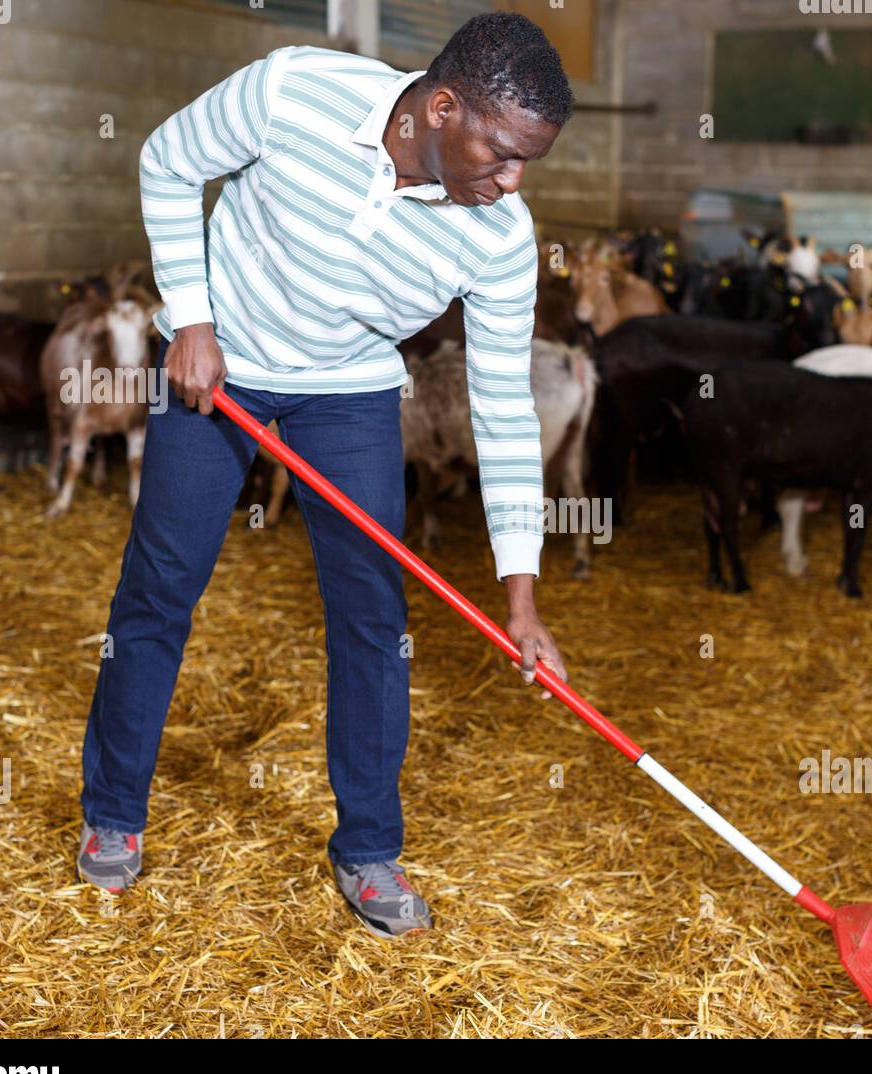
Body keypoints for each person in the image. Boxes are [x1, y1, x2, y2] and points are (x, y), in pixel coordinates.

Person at [76, 12, 573, 938]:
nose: (511, 183)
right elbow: (167, 159)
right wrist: (191, 318)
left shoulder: (499, 238)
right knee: (161, 584)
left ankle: (370, 850)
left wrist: (522, 596)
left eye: (527, 165)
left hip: (347, 394)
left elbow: (504, 410)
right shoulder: (292, 90)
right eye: (502, 154)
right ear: (441, 105)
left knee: (374, 618)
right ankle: (113, 811)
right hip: (216, 367)